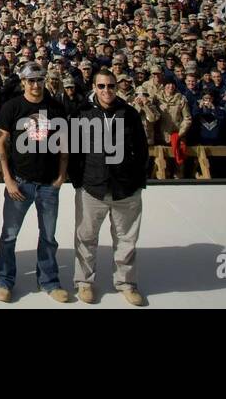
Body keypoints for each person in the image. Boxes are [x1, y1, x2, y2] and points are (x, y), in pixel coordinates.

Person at [69, 67, 149, 306]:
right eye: (101, 86)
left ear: (117, 87)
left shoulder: (130, 113)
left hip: (125, 188)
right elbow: (74, 151)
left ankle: (126, 283)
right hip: (92, 186)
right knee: (86, 237)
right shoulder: (82, 113)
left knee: (126, 239)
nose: (106, 90)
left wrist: (137, 180)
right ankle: (84, 282)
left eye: (111, 86)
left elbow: (142, 150)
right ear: (94, 87)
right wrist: (78, 181)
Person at [0, 62, 72, 302]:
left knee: (48, 236)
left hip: (49, 184)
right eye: (31, 80)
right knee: (9, 235)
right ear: (23, 82)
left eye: (40, 79)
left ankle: (49, 280)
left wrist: (61, 176)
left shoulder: (56, 107)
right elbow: (1, 143)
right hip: (20, 181)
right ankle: (4, 280)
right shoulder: (12, 107)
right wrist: (8, 179)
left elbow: (63, 145)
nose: (36, 84)